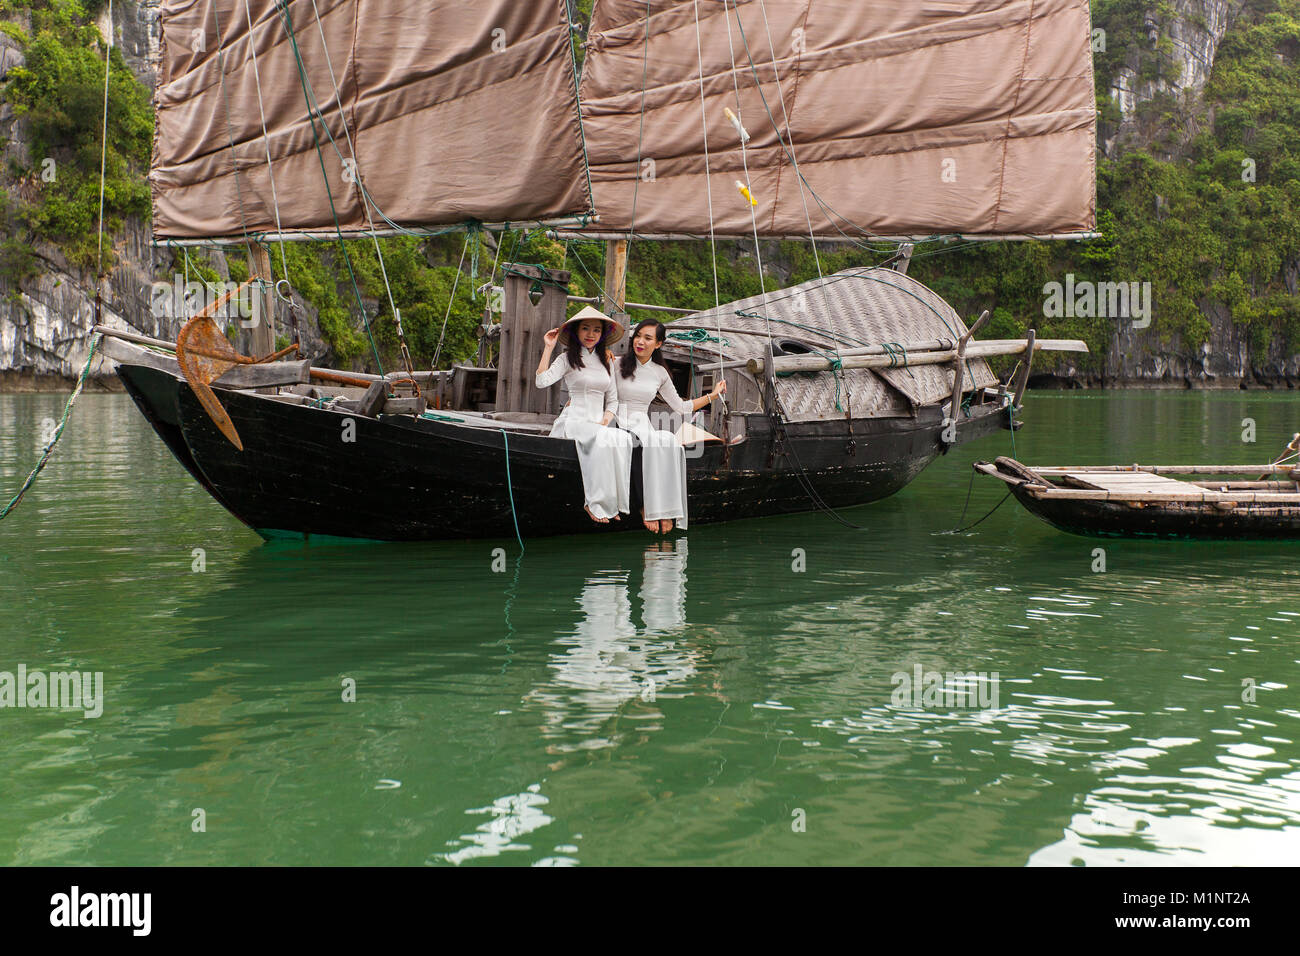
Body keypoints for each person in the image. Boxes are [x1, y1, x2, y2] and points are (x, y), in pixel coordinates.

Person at [616, 318, 725, 533]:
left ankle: (666, 508)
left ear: (658, 344)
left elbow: (681, 407)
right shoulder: (616, 362)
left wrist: (712, 396)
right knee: (637, 444)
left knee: (668, 444)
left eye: (647, 338)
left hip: (641, 423)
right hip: (615, 419)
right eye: (637, 336)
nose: (640, 341)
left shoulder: (660, 373)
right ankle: (644, 506)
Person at [535, 306, 634, 524]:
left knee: (622, 438)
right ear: (576, 332)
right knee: (601, 438)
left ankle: (611, 503)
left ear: (602, 335)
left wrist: (605, 421)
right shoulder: (566, 359)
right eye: (586, 329)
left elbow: (613, 400)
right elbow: (541, 382)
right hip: (575, 420)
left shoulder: (607, 361)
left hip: (597, 423)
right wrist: (548, 348)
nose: (591, 334)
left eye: (597, 330)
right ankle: (593, 503)